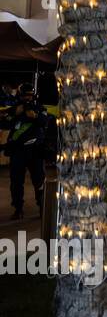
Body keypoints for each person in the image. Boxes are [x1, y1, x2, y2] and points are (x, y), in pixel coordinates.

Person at [5, 84, 49, 220]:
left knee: (39, 180)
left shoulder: (39, 108)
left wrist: (35, 116)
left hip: (35, 151)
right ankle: (18, 209)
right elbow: (6, 122)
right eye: (25, 95)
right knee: (16, 182)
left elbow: (45, 121)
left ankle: (42, 207)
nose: (27, 98)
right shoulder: (16, 109)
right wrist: (14, 114)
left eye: (29, 95)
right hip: (18, 151)